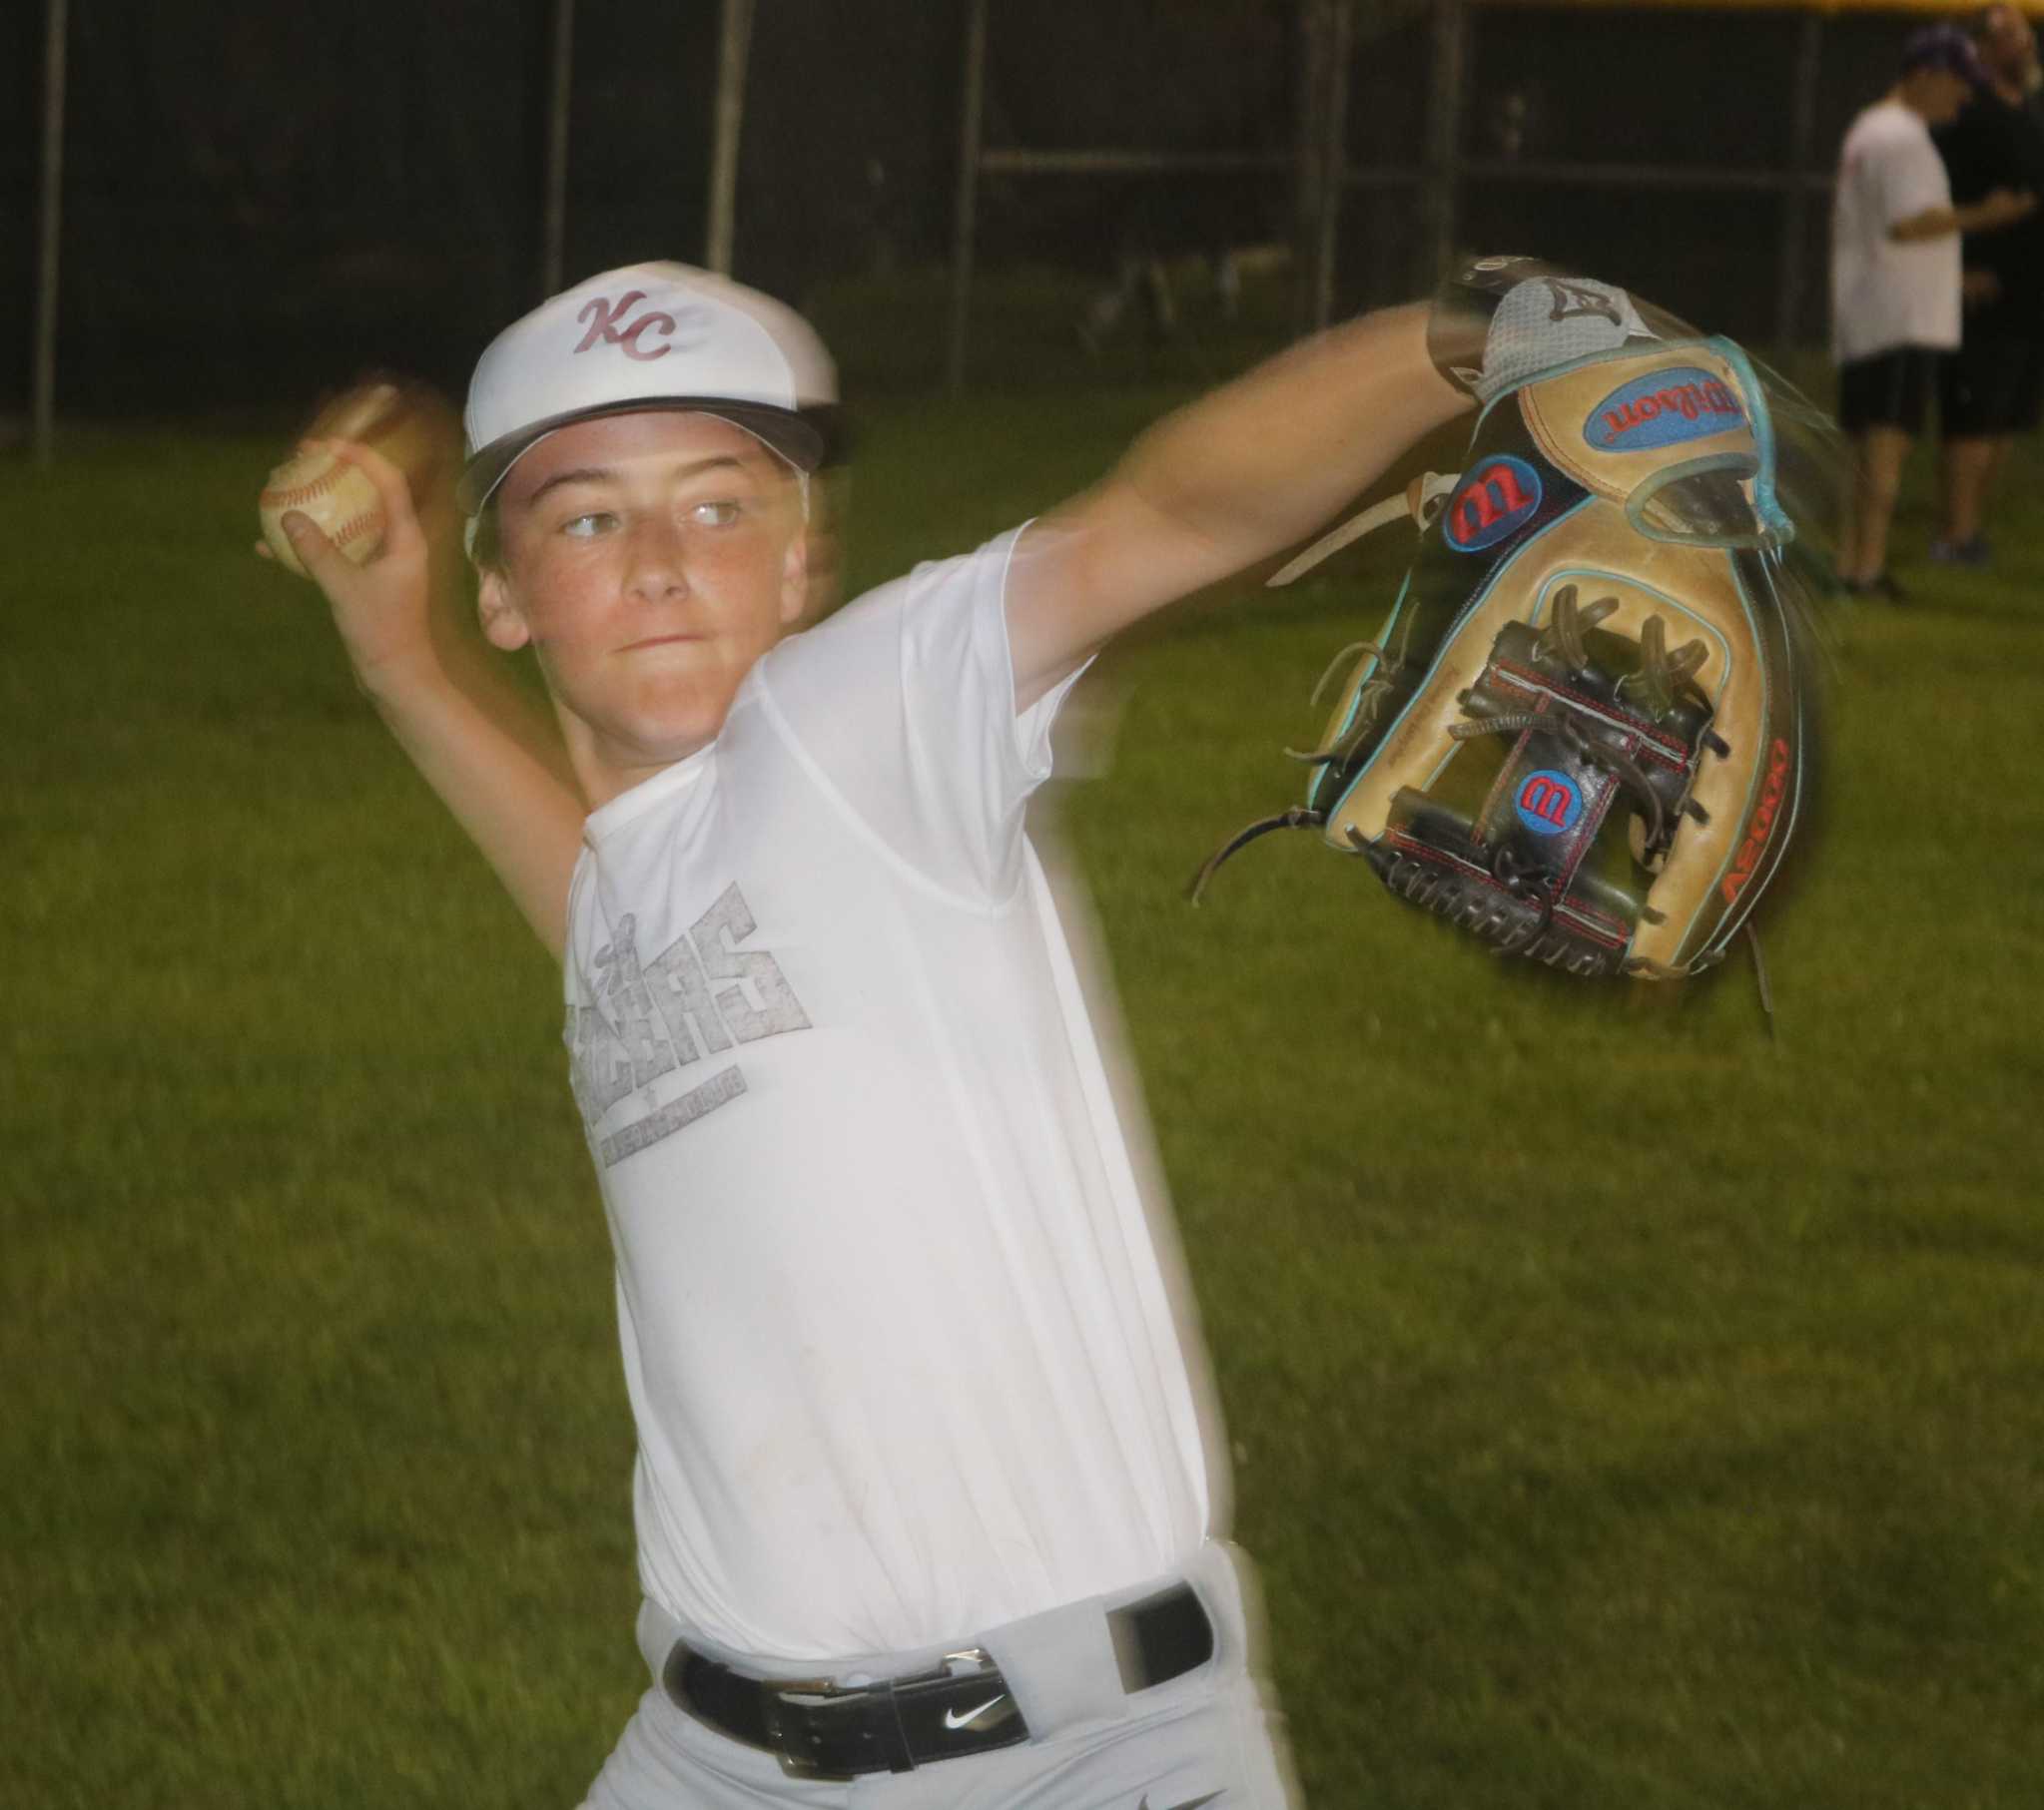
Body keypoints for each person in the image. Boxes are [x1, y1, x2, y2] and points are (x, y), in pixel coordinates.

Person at [273, 257, 1485, 1807]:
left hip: (1074, 1761)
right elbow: (603, 917)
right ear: (503, 593)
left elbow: (1168, 517)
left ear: (803, 566)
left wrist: (1471, 330)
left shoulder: (857, 726)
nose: (658, 563)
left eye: (720, 505)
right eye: (586, 517)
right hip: (716, 1754)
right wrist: (394, 653)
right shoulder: (647, 882)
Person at [1829, 24, 2033, 599]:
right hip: (1897, 319)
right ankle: (1864, 571)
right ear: (1925, 75)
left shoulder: (1877, 128)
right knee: (1885, 450)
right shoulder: (1900, 137)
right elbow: (1910, 223)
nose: (1963, 97)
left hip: (1876, 312)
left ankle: (1853, 565)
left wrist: (1953, 273)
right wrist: (1988, 214)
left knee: (1868, 451)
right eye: (1956, 83)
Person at [1932, 4, 2044, 566]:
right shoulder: (1966, 113)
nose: (2024, 43)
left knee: (2006, 413)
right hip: (1980, 286)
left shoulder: (2028, 109)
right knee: (1972, 414)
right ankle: (1954, 533)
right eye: (2010, 35)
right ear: (1980, 48)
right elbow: (1932, 200)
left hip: (2028, 290)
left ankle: (1972, 532)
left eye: (2025, 33)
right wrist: (1952, 269)